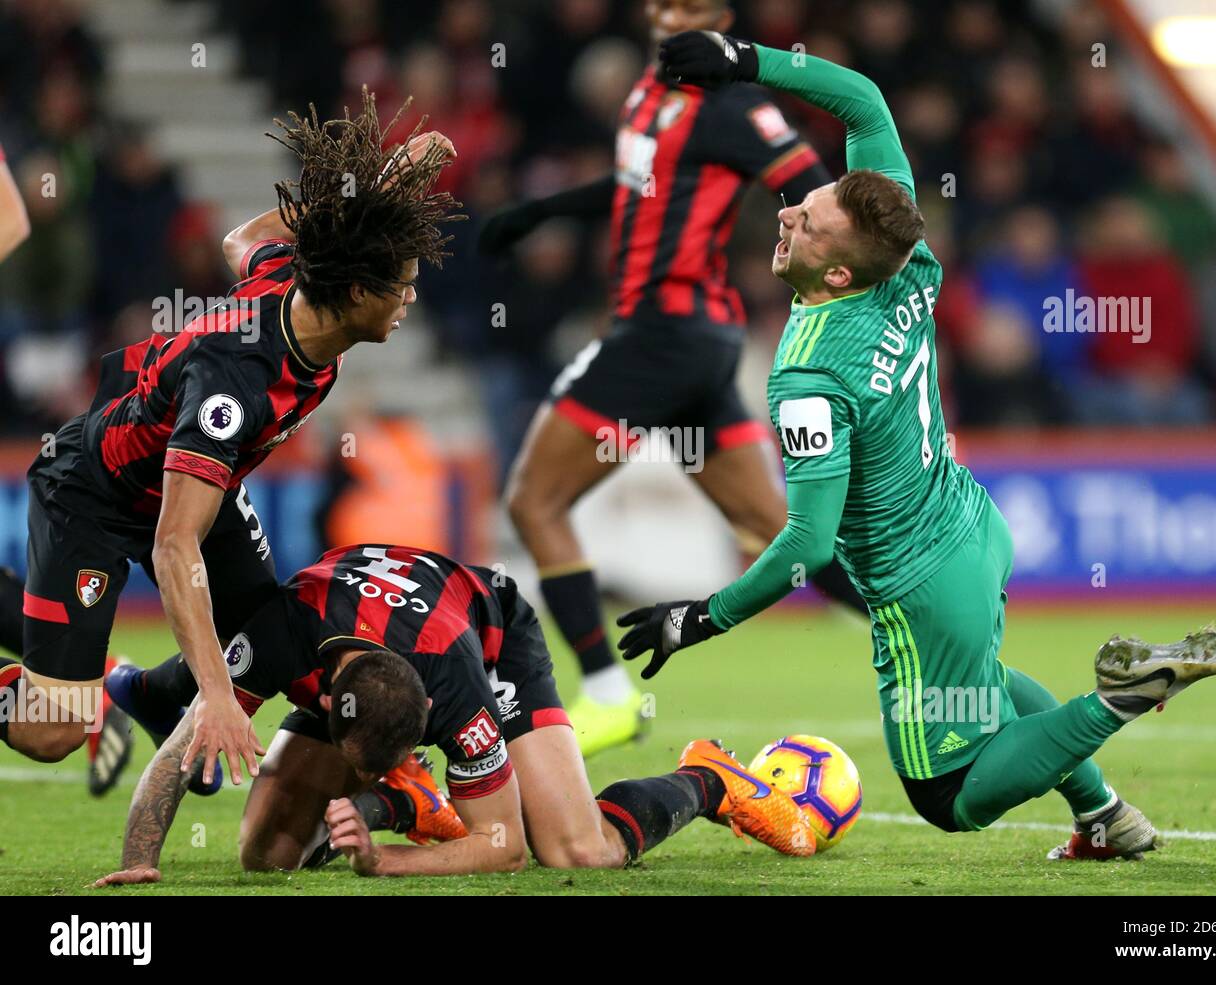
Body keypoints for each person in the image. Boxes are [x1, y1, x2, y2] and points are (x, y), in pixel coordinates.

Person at [617, 31, 1216, 860]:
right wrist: (743, 62)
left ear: (840, 274)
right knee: (984, 689)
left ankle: (1121, 699)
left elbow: (809, 545)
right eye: (800, 204)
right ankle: (1104, 814)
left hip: (921, 589)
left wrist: (702, 617)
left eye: (807, 222)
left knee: (951, 796)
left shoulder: (809, 377)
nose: (785, 212)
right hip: (971, 524)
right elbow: (865, 100)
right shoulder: (906, 250)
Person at [0, 91, 460, 797]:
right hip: (94, 493)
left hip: (192, 486)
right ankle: (147, 692)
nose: (410, 299)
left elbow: (238, 238)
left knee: (277, 639)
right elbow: (174, 544)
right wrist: (216, 694)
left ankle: (163, 698)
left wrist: (380, 185)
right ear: (357, 292)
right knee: (53, 729)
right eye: (400, 285)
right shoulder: (236, 385)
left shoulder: (294, 277)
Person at [481, 0, 870, 758]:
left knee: (534, 500)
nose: (668, 14)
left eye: (687, 4)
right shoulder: (647, 91)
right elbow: (637, 188)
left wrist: (822, 281)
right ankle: (924, 634)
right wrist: (545, 210)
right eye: (660, 1)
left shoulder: (734, 105)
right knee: (774, 535)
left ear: (719, 13)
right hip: (690, 346)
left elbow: (819, 190)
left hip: (661, 333)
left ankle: (606, 691)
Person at [96, 543, 813, 885]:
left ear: (432, 718)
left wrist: (389, 863)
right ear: (322, 710)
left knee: (576, 849)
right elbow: (175, 751)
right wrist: (138, 864)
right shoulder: (282, 632)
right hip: (360, 651)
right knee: (267, 855)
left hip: (493, 631)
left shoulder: (458, 685)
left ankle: (708, 777)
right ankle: (402, 796)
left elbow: (504, 846)